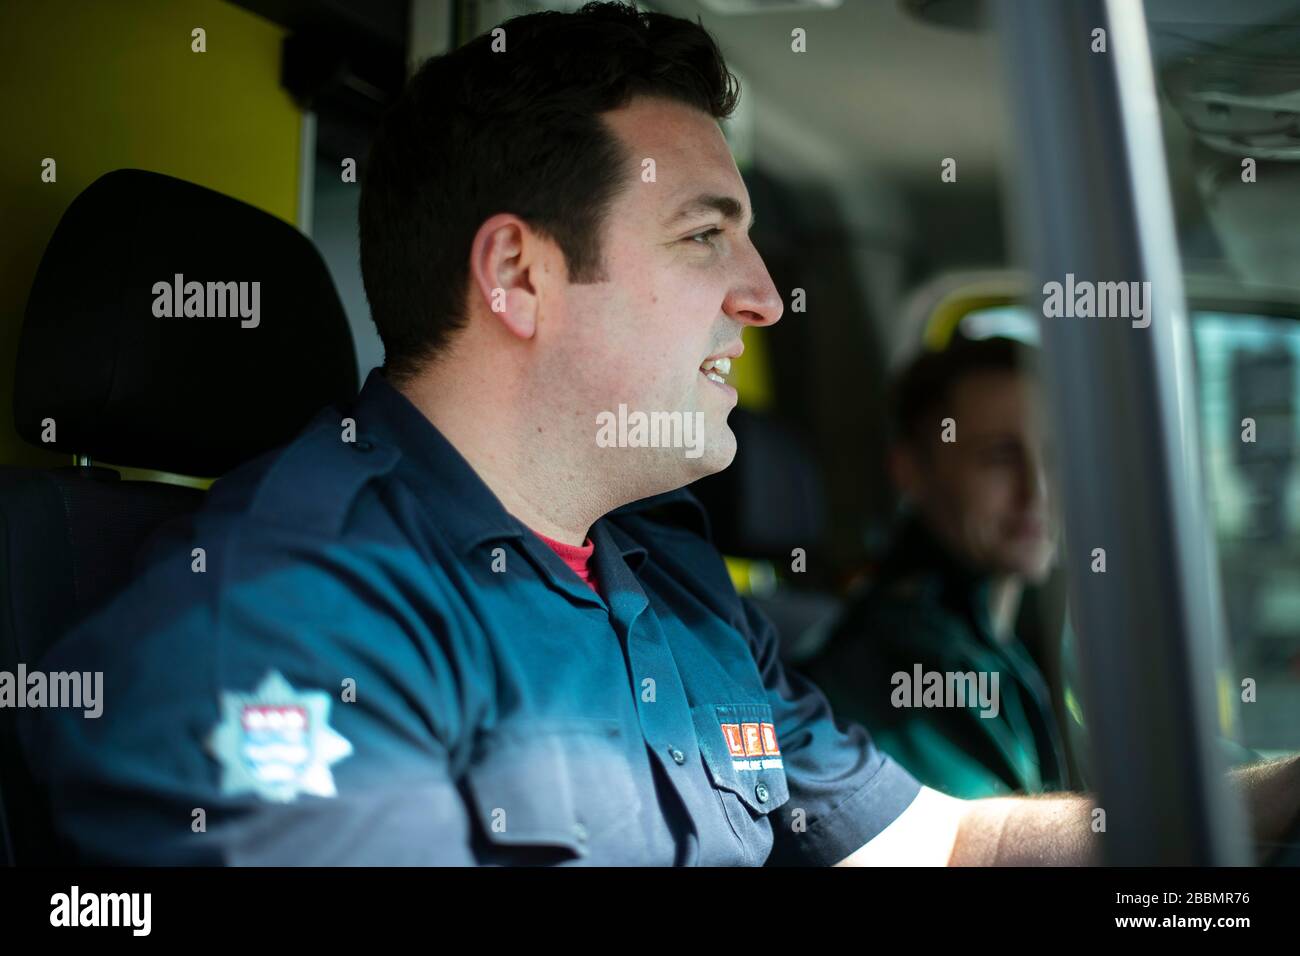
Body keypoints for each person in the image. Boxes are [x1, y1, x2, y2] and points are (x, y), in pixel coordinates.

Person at [21, 3, 1298, 866]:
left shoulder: (671, 582)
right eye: (704, 235)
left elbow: (926, 845)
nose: (760, 292)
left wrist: (1258, 801)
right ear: (518, 276)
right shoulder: (283, 625)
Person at [803, 338, 1070, 799]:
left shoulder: (1001, 638)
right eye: (1000, 456)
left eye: (1054, 455)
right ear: (910, 471)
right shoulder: (900, 662)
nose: (1038, 491)